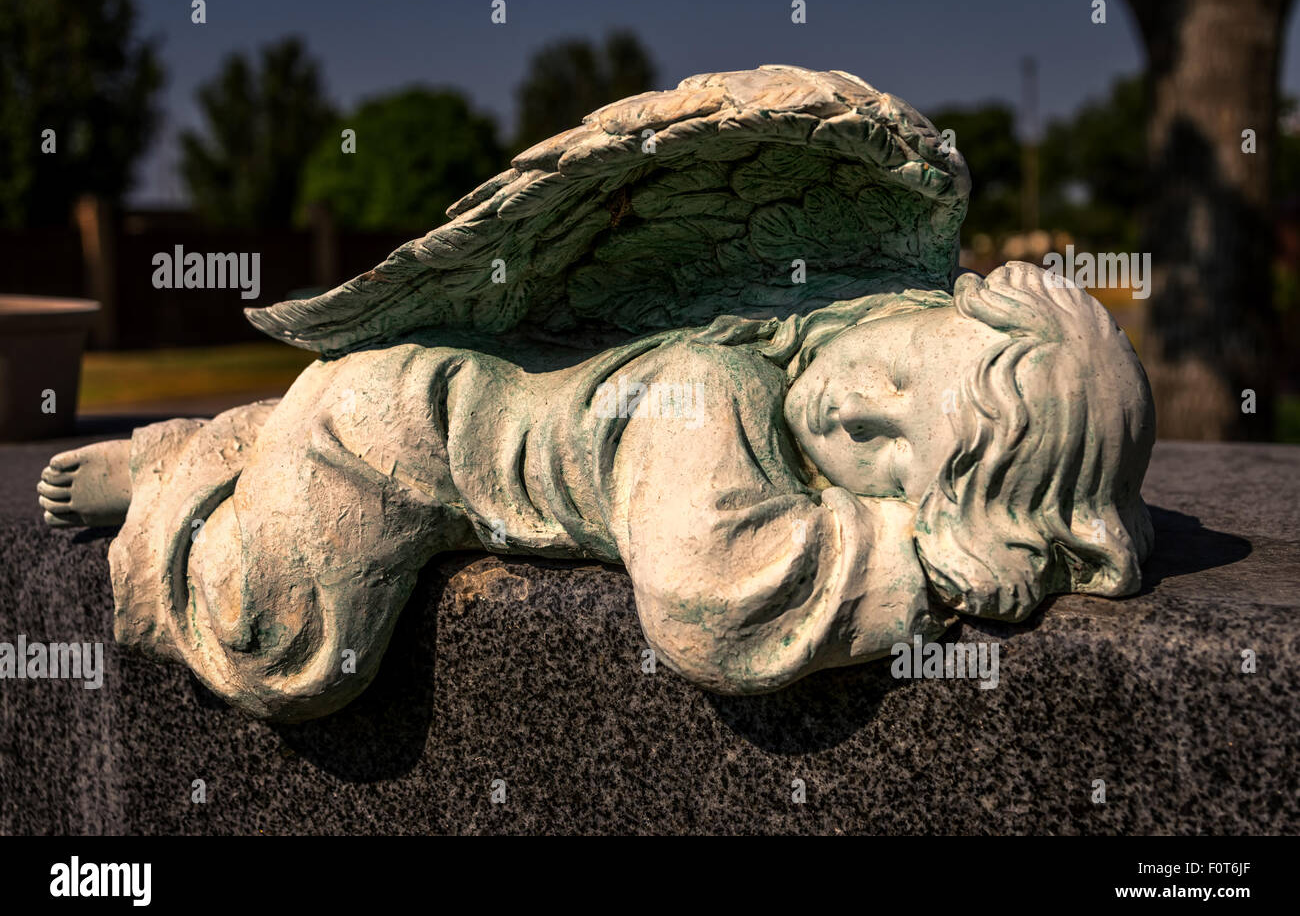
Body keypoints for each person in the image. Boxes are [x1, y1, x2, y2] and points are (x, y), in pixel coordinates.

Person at [37, 261, 1154, 721]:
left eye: (906, 462)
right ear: (928, 303)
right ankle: (178, 470)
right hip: (377, 439)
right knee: (280, 646)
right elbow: (714, 602)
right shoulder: (707, 386)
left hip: (421, 400)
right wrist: (915, 551)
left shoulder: (773, 342)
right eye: (904, 374)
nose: (855, 413)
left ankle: (239, 441)